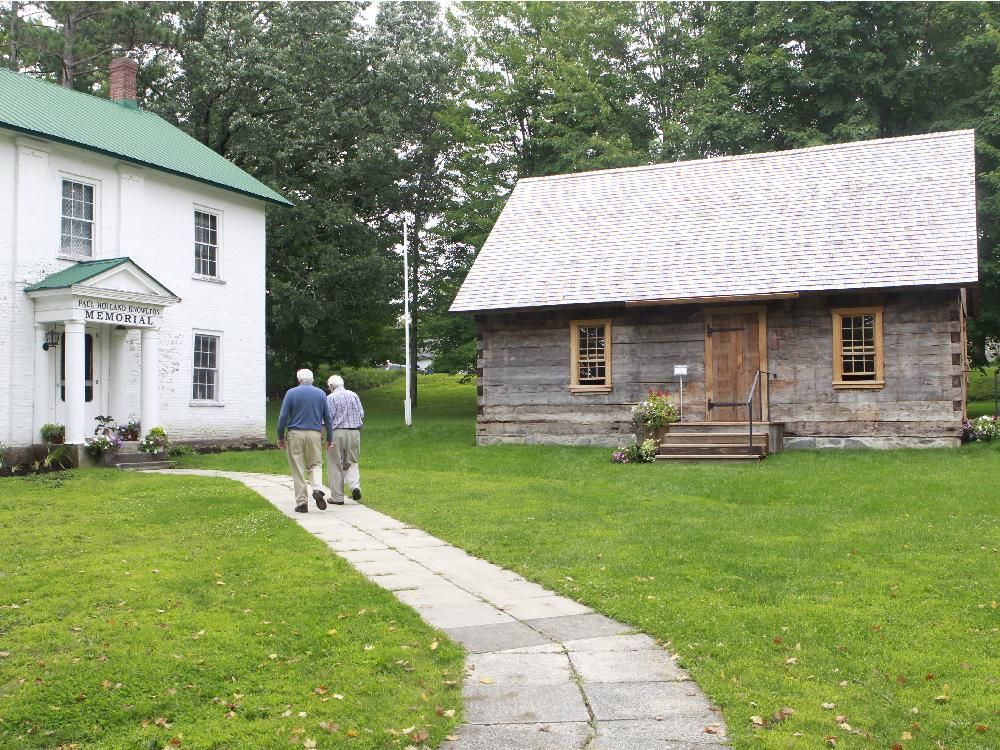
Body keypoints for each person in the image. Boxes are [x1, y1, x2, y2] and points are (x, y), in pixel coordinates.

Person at [276, 368, 333, 513]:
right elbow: (327, 417)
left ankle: (302, 503)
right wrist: (330, 438)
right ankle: (317, 488)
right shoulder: (320, 393)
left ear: (298, 379)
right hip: (315, 433)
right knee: (315, 464)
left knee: (298, 468)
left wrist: (280, 436)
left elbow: (283, 416)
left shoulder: (291, 393)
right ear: (312, 379)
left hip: (295, 434)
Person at [326, 374, 364, 505]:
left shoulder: (330, 398)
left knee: (335, 464)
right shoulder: (354, 395)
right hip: (354, 432)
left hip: (337, 433)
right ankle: (355, 486)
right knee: (352, 461)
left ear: (331, 386)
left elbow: (327, 418)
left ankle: (337, 497)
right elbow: (361, 413)